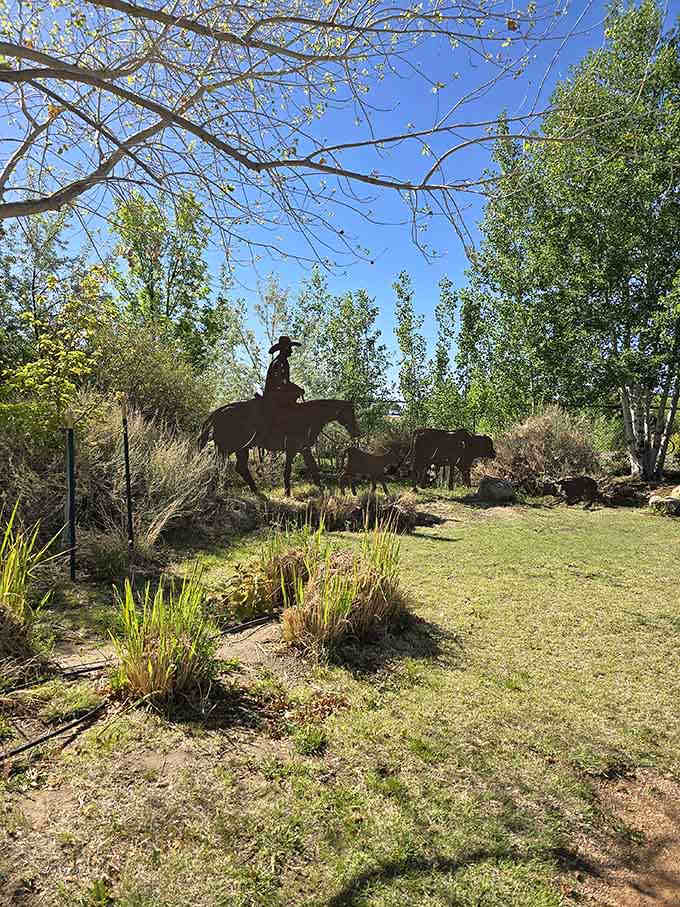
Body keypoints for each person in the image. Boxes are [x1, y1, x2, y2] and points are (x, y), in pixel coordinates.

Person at [263, 336, 305, 406]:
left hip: (276, 394)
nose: (291, 351)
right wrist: (297, 389)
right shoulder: (279, 362)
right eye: (289, 348)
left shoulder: (282, 361)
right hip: (274, 397)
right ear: (285, 348)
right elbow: (281, 383)